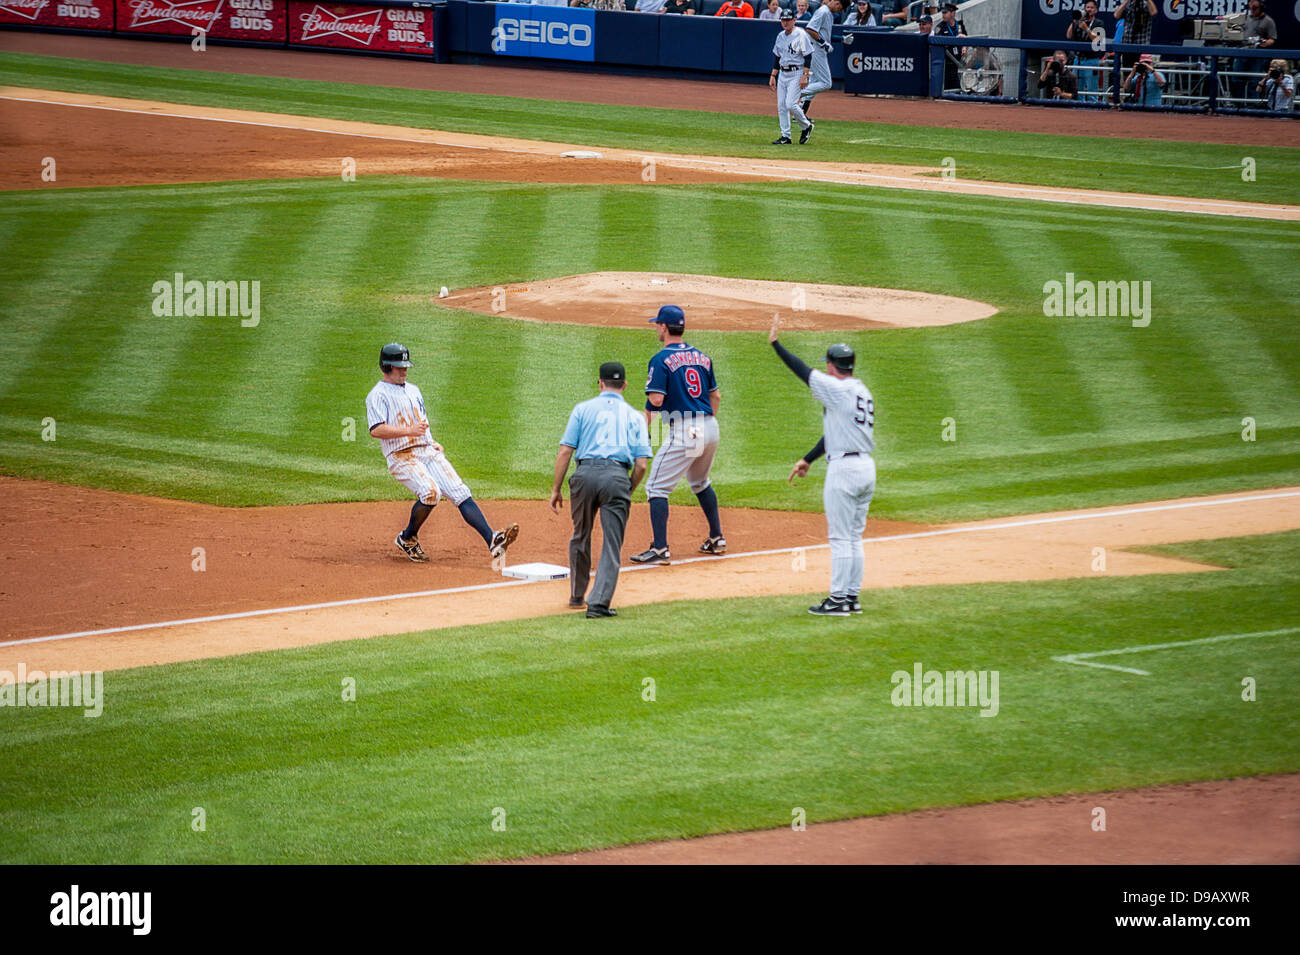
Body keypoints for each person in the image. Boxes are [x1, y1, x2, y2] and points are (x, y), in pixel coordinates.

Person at [366, 343, 518, 566]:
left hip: (427, 450)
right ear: (387, 367)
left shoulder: (413, 390)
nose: (405, 370)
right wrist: (409, 432)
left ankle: (492, 540)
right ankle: (407, 538)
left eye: (406, 366)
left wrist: (431, 440)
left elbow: (421, 422)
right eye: (400, 367)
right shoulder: (377, 395)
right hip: (401, 456)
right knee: (430, 492)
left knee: (460, 491)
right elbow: (376, 429)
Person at [769, 316, 876, 617]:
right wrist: (808, 458)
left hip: (845, 471)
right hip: (865, 467)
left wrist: (777, 345)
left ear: (832, 366)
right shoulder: (861, 391)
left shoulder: (836, 389)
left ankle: (839, 599)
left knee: (841, 537)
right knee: (853, 536)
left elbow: (802, 371)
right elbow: (836, 432)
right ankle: (851, 597)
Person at [550, 362, 652, 619]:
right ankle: (598, 603)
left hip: (584, 476)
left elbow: (565, 450)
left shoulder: (582, 409)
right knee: (611, 543)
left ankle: (576, 595)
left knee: (580, 534)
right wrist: (628, 487)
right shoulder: (635, 416)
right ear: (625, 386)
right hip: (616, 476)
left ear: (600, 383)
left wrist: (556, 488)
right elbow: (641, 464)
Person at [629, 306, 725, 565]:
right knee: (700, 482)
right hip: (710, 427)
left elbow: (656, 399)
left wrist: (643, 431)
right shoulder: (703, 357)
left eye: (656, 324)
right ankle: (717, 538)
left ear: (664, 327)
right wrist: (705, 425)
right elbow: (715, 396)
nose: (655, 328)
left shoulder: (660, 359)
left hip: (687, 430)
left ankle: (660, 549)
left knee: (656, 487)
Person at [770, 9, 815, 145]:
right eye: (783, 20)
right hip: (783, 73)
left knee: (791, 104)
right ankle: (786, 136)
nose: (785, 22)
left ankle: (806, 126)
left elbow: (808, 56)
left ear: (794, 20)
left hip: (797, 72)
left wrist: (805, 76)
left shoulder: (801, 34)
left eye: (788, 20)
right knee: (781, 106)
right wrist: (773, 75)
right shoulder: (780, 36)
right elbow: (777, 57)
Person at [800, 0, 843, 116]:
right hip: (815, 49)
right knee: (826, 83)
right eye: (840, 8)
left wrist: (841, 39)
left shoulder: (828, 13)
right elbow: (810, 29)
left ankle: (800, 113)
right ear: (837, 3)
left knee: (815, 83)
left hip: (819, 50)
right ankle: (796, 94)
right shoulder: (823, 11)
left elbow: (825, 35)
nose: (839, 11)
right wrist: (823, 43)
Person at [1235, 1, 1277, 103]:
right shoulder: (1245, 19)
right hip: (1242, 53)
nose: (1252, 10)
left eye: (1255, 8)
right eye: (1250, 8)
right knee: (1236, 80)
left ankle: (1253, 105)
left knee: (1254, 81)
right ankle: (1237, 104)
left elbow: (1272, 39)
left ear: (1261, 8)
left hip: (1257, 55)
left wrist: (1265, 43)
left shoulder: (1268, 21)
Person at [1067, 1, 1105, 102]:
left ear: (1096, 10)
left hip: (1091, 59)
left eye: (1092, 8)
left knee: (1092, 89)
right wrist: (1074, 21)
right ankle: (1078, 109)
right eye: (1087, 7)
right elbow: (1068, 35)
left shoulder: (1099, 23)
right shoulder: (1079, 22)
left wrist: (1086, 28)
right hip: (1078, 59)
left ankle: (1093, 111)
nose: (1089, 9)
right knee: (1077, 88)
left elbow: (1098, 40)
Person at [1112, 0, 1155, 68]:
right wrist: (1126, 1)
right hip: (1127, 46)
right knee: (1127, 73)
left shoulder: (1146, 4)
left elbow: (1153, 12)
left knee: (1141, 73)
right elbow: (1116, 15)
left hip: (1142, 46)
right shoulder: (1128, 4)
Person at [934, 3, 967, 92]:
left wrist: (964, 47)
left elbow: (966, 38)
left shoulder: (960, 25)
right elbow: (937, 42)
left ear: (953, 13)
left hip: (959, 63)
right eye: (943, 13)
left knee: (959, 88)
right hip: (946, 64)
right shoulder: (940, 27)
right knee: (946, 89)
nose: (943, 15)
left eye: (945, 12)